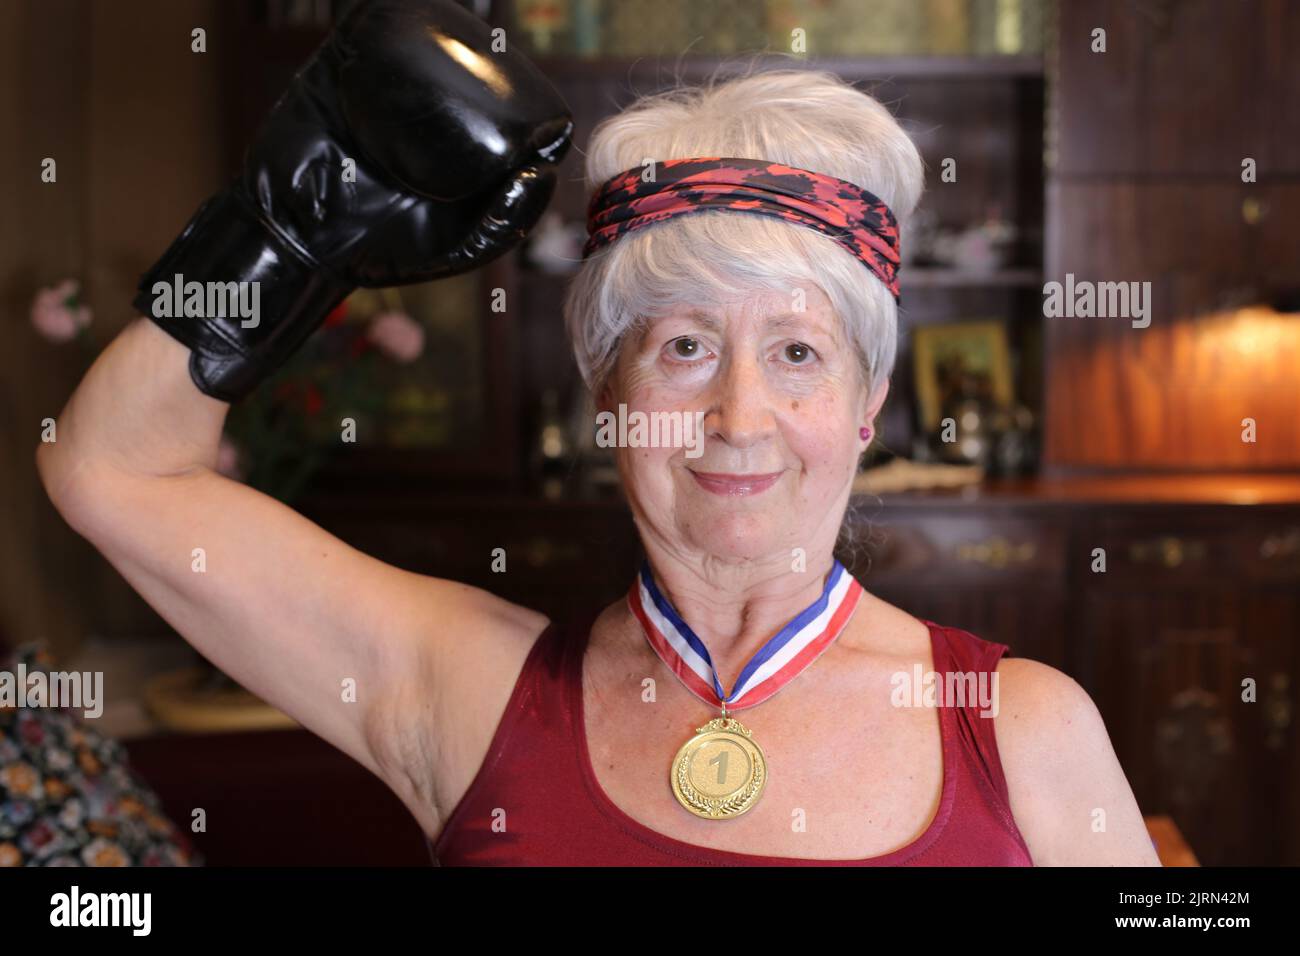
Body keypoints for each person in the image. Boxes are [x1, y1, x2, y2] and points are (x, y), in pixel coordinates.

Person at [36, 0, 1159, 865]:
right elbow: (109, 468)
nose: (738, 417)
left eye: (798, 352)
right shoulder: (465, 689)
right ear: (601, 389)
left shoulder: (1023, 731)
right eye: (681, 347)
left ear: (867, 406)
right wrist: (284, 233)